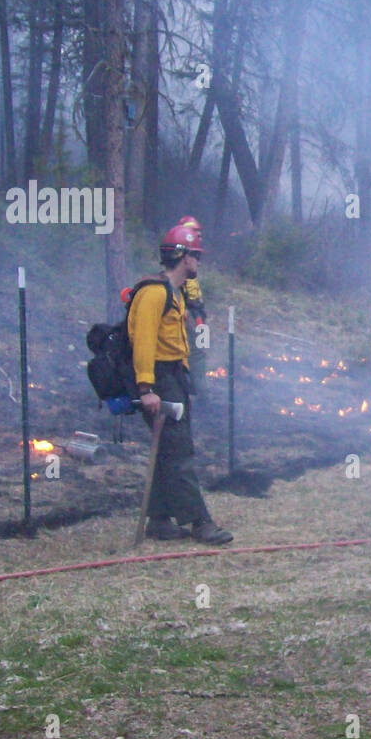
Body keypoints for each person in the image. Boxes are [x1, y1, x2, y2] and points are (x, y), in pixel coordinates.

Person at [129, 222, 234, 543]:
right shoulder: (153, 294)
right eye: (196, 256)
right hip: (159, 380)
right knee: (180, 452)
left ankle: (159, 520)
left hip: (173, 377)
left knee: (167, 450)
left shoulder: (172, 294)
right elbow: (144, 342)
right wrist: (146, 389)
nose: (198, 262)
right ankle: (200, 522)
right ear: (184, 257)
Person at [177, 215, 208, 395]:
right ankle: (200, 393)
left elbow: (194, 290)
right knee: (197, 353)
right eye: (196, 233)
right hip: (191, 316)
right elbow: (187, 290)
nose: (200, 237)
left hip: (198, 316)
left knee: (201, 352)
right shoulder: (185, 258)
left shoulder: (188, 256)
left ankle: (199, 389)